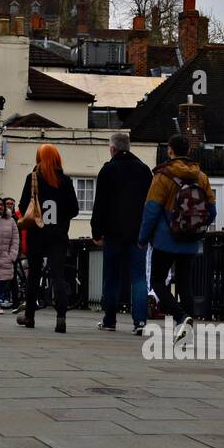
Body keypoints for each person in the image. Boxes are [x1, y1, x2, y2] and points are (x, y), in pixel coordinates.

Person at [138, 134, 216, 341]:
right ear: (188, 152)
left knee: (156, 280)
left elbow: (152, 210)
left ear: (169, 150)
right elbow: (212, 211)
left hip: (165, 239)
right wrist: (197, 226)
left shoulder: (163, 176)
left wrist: (143, 238)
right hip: (191, 240)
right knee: (185, 284)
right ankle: (187, 331)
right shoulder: (201, 177)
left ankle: (181, 318)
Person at [91, 131, 152, 335]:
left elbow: (99, 204)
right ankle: (140, 322)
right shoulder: (144, 170)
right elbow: (150, 204)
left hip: (113, 233)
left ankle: (110, 320)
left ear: (112, 148)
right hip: (138, 233)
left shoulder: (108, 170)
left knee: (111, 277)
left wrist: (96, 231)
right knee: (139, 277)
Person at [17, 144, 79, 333]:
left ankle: (30, 315)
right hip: (58, 235)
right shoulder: (65, 181)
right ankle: (61, 316)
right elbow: (74, 209)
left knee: (34, 275)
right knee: (58, 275)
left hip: (37, 233)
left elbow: (22, 204)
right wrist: (61, 220)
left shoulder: (33, 178)